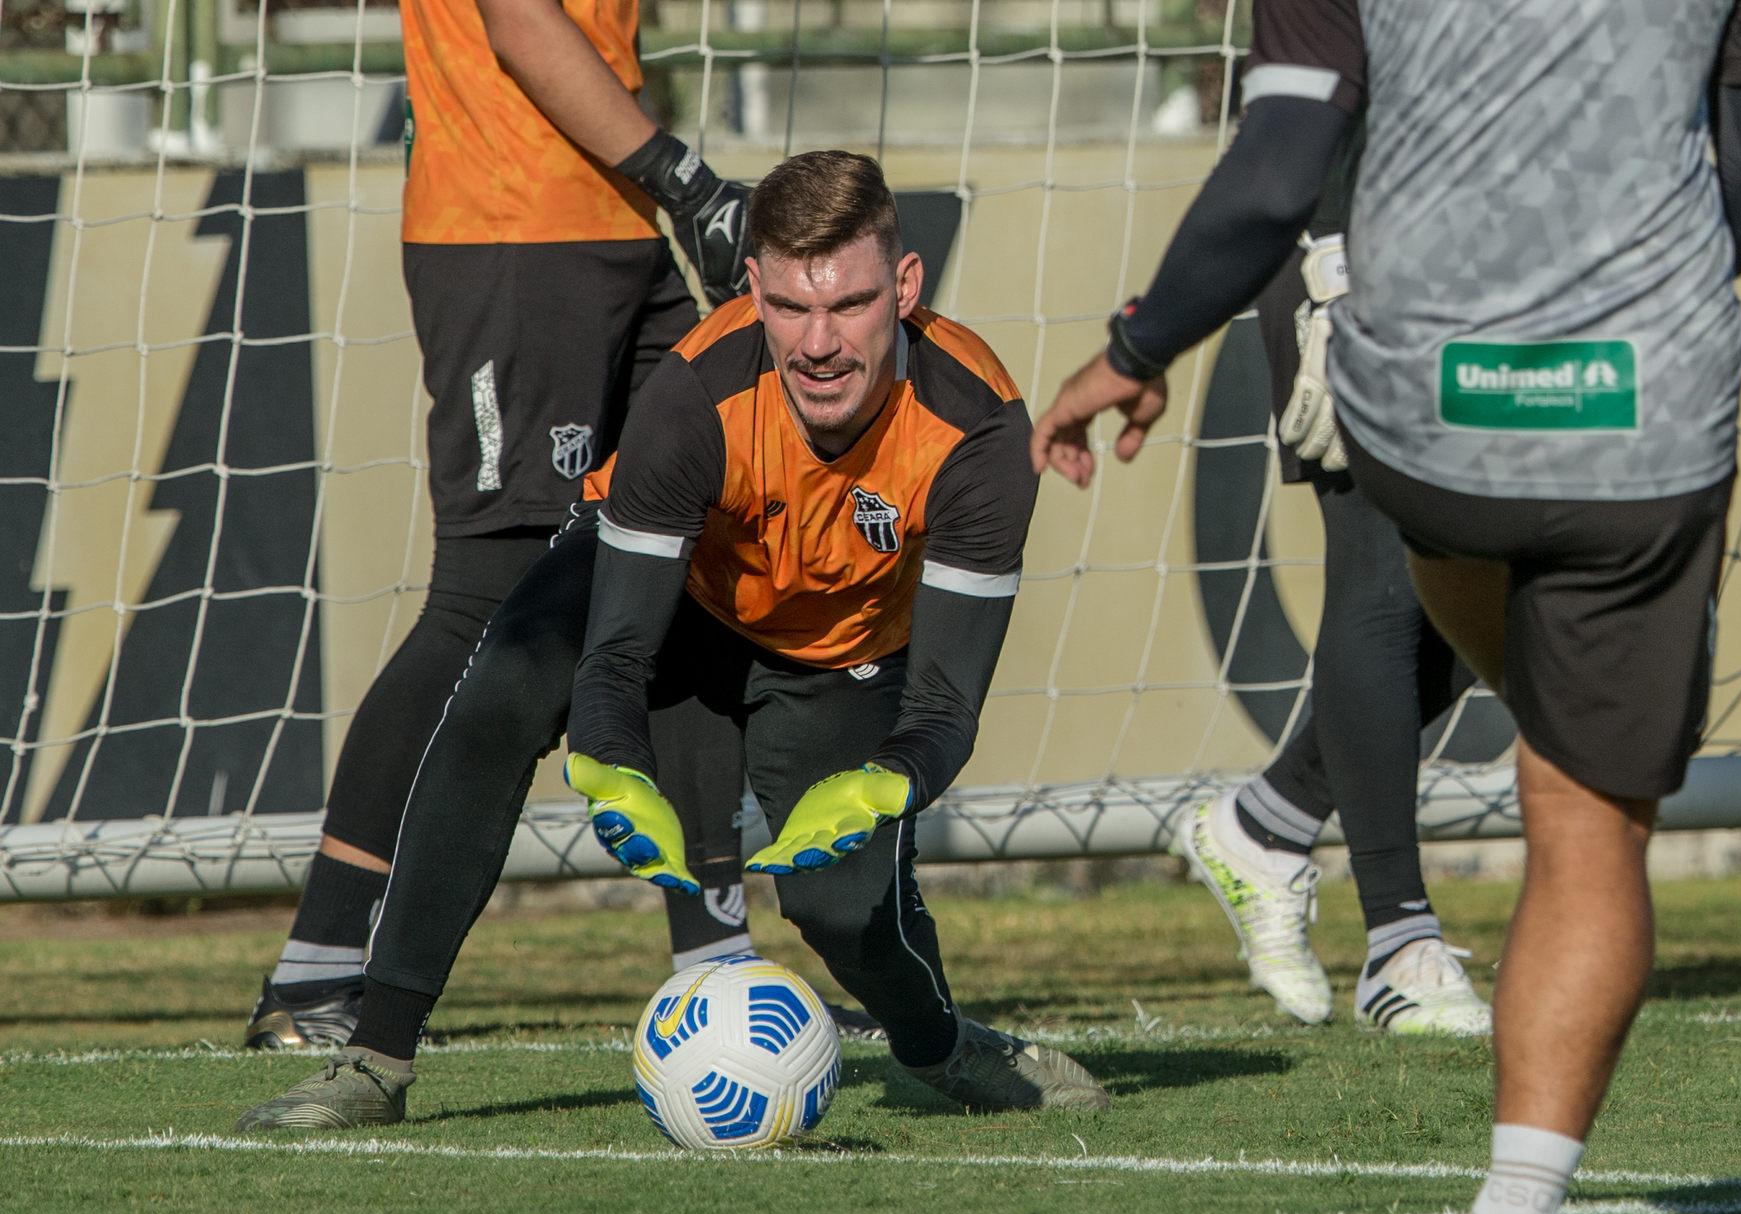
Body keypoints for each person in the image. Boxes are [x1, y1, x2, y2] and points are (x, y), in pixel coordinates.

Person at [1030, 0, 1741, 1214]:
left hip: (1434, 414)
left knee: (1413, 576)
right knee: (1585, 824)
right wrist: (1661, 280)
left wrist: (1134, 349)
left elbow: (1275, 171)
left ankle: (1295, 828)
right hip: (1649, 413)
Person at [235, 150, 1108, 1132]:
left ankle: (940, 1044)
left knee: (839, 905)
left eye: (849, 306)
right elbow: (614, 658)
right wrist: (610, 765)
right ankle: (374, 1059)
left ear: (904, 288)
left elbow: (945, 707)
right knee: (504, 683)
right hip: (678, 602)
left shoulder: (978, 433)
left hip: (833, 653)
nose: (818, 344)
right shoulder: (693, 397)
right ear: (752, 292)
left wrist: (887, 781)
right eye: (789, 308)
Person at [241, 0, 767, 1049]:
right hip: (512, 225)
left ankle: (720, 971)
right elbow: (522, 20)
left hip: (620, 220)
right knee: (488, 599)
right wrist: (689, 181)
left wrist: (662, 189)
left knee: (680, 568)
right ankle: (318, 971)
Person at [1178, 144, 1488, 1036]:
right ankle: (1398, 940)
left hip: (1504, 239)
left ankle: (1267, 824)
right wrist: (1332, 252)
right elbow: (1309, 67)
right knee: (1383, 564)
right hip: (1363, 243)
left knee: (1523, 575)